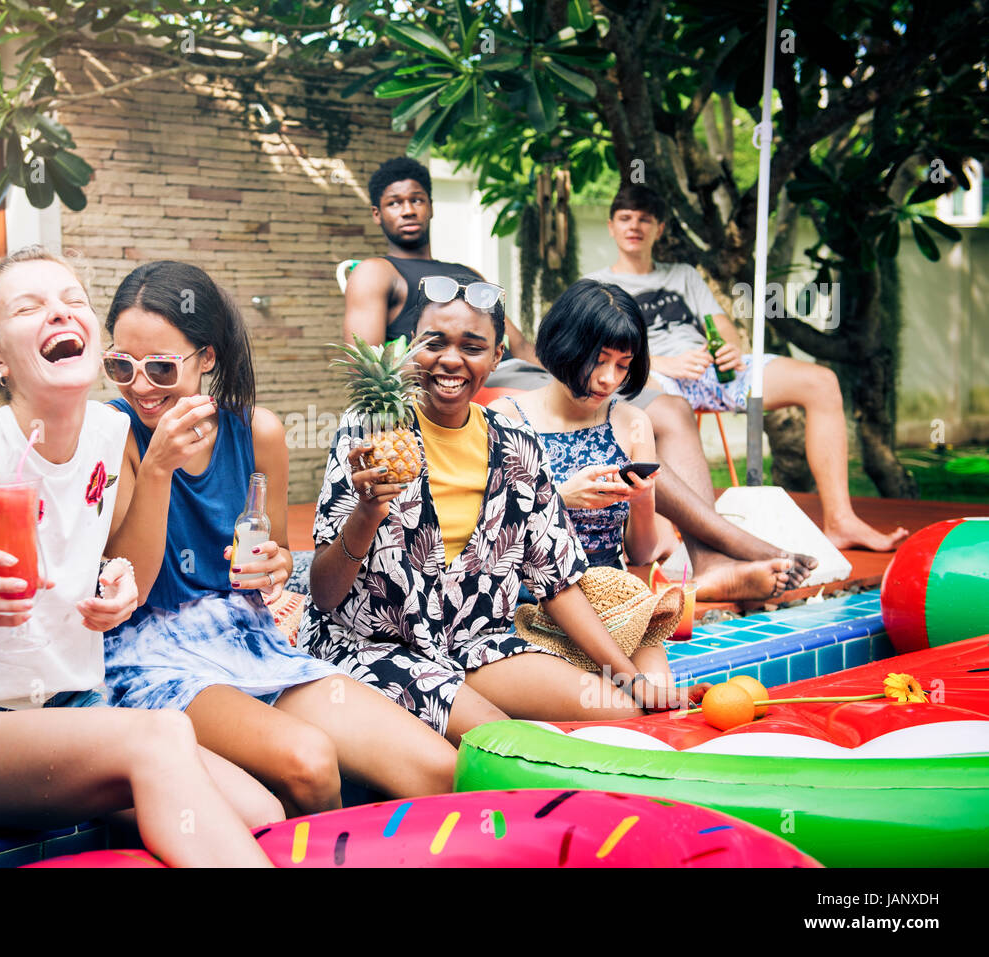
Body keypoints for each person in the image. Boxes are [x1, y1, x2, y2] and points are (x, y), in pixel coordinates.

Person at [0, 246, 277, 867]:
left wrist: (117, 589)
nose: (58, 312)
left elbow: (126, 566)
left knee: (261, 812)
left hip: (70, 707)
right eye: (30, 307)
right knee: (159, 735)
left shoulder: (112, 436)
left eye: (72, 299)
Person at [101, 260, 457, 815]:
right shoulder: (112, 433)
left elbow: (278, 552)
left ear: (207, 359)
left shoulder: (256, 431)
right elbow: (131, 586)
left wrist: (275, 564)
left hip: (248, 636)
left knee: (437, 769)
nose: (140, 386)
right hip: (151, 650)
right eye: (121, 365)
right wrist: (157, 467)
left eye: (161, 368)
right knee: (309, 761)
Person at [300, 274, 706, 744]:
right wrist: (367, 513)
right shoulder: (369, 430)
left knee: (620, 710)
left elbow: (557, 583)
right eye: (435, 342)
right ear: (412, 347)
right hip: (376, 647)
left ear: (496, 358)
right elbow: (325, 595)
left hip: (474, 645)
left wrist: (625, 676)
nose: (451, 359)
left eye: (472, 347)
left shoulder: (515, 443)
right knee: (505, 742)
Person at [588, 183, 907, 553]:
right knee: (655, 412)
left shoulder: (684, 275)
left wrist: (728, 349)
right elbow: (594, 353)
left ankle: (841, 521)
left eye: (645, 219)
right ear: (611, 226)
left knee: (821, 382)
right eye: (625, 218)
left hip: (707, 368)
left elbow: (722, 327)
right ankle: (668, 538)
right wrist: (660, 362)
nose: (634, 226)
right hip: (650, 375)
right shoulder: (597, 286)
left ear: (659, 229)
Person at [490, 279, 797, 599]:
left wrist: (642, 501)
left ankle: (705, 579)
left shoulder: (631, 422)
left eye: (623, 365)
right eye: (599, 360)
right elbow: (489, 529)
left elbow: (640, 553)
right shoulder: (507, 417)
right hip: (533, 595)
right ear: (565, 345)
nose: (610, 379)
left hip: (611, 595)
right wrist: (562, 496)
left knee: (653, 649)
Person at [343, 156, 547, 388]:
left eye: (417, 200)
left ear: (431, 207)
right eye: (394, 203)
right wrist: (458, 365)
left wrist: (566, 377)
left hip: (518, 376)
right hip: (465, 386)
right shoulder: (376, 272)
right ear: (377, 214)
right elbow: (366, 369)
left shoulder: (467, 273)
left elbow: (520, 347)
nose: (408, 210)